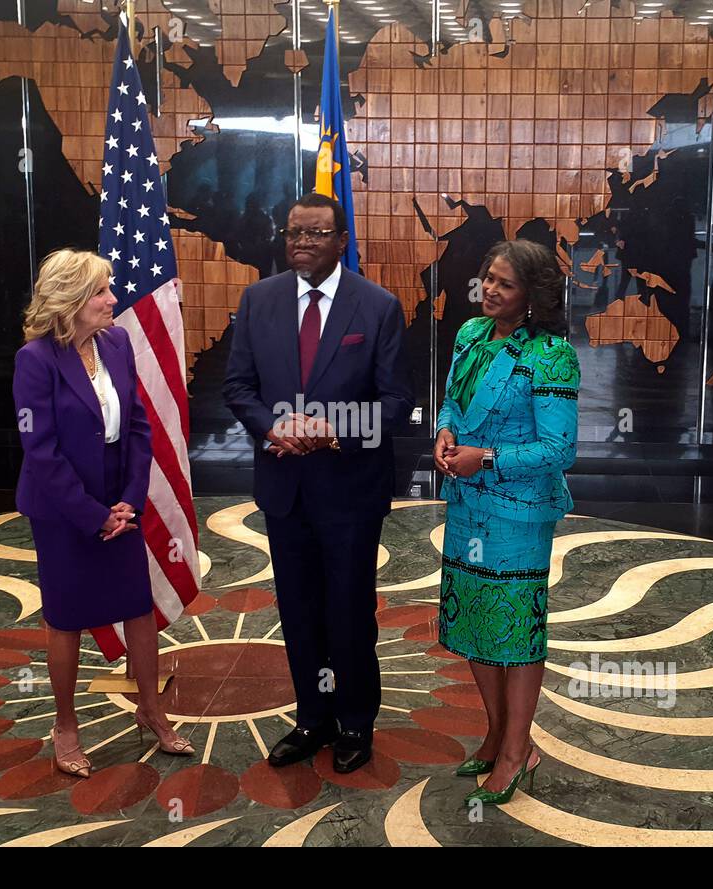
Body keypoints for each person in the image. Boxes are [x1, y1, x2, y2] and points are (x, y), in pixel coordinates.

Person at [223, 193, 414, 774]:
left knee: (348, 610)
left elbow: (397, 402)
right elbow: (238, 388)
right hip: (285, 488)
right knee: (300, 610)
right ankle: (312, 718)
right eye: (293, 233)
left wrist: (335, 432)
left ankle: (355, 721)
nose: (301, 243)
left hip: (349, 490)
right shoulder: (258, 300)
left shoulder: (377, 307)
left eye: (316, 234)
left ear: (341, 240)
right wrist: (273, 426)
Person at [13, 248, 193, 777]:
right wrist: (94, 515)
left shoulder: (116, 342)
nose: (113, 300)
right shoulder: (36, 360)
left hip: (120, 506)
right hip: (64, 514)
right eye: (101, 292)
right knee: (66, 620)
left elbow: (138, 426)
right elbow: (40, 451)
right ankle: (65, 727)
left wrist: (130, 503)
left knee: (137, 608)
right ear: (69, 301)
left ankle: (152, 711)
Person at [433, 239, 580, 807]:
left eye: (505, 284)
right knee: (473, 620)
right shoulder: (471, 335)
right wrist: (446, 435)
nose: (490, 290)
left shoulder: (551, 355)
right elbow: (452, 403)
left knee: (515, 631)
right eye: (488, 278)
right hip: (466, 503)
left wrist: (486, 457)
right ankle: (497, 733)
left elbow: (559, 447)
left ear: (533, 296)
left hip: (518, 511)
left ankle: (519, 749)